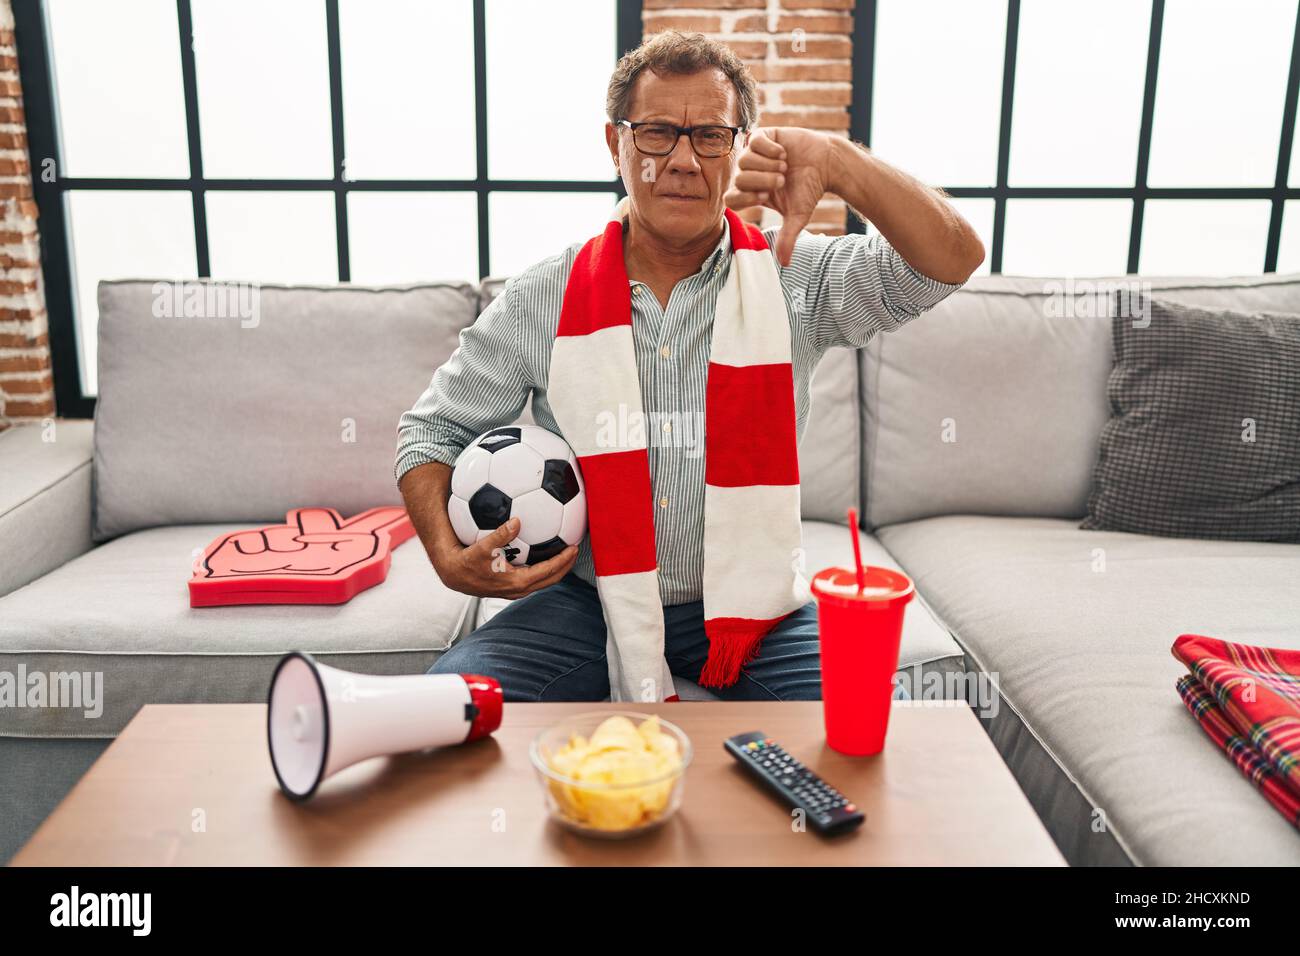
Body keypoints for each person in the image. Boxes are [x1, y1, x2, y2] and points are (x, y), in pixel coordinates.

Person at [395, 31, 983, 703]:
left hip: (754, 609)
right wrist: (448, 558)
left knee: (863, 724)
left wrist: (839, 162)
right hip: (588, 602)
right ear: (615, 145)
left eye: (710, 136)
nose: (681, 161)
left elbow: (951, 261)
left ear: (738, 149)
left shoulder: (795, 275)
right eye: (656, 134)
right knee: (446, 711)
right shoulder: (544, 296)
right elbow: (431, 434)